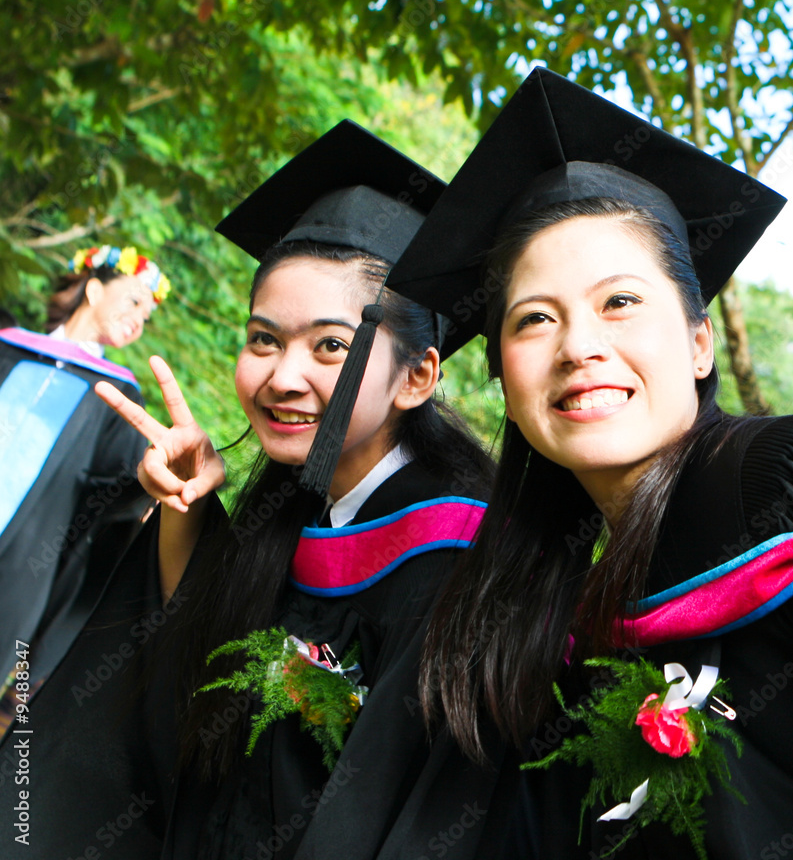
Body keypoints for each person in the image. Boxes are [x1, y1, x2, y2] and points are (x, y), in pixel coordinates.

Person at [388, 67, 793, 858]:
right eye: (533, 319)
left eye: (619, 302)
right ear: (501, 379)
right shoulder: (558, 606)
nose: (579, 346)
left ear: (697, 343)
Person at [55, 121, 504, 860]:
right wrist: (185, 507)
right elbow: (175, 688)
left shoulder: (458, 556)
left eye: (331, 345)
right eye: (263, 339)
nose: (281, 376)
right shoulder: (288, 520)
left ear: (417, 376)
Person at [0, 245, 169, 702]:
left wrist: (150, 480)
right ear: (93, 289)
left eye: (147, 316)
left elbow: (116, 494)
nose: (139, 319)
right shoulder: (9, 347)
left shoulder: (117, 394)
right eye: (134, 300)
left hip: (18, 566)